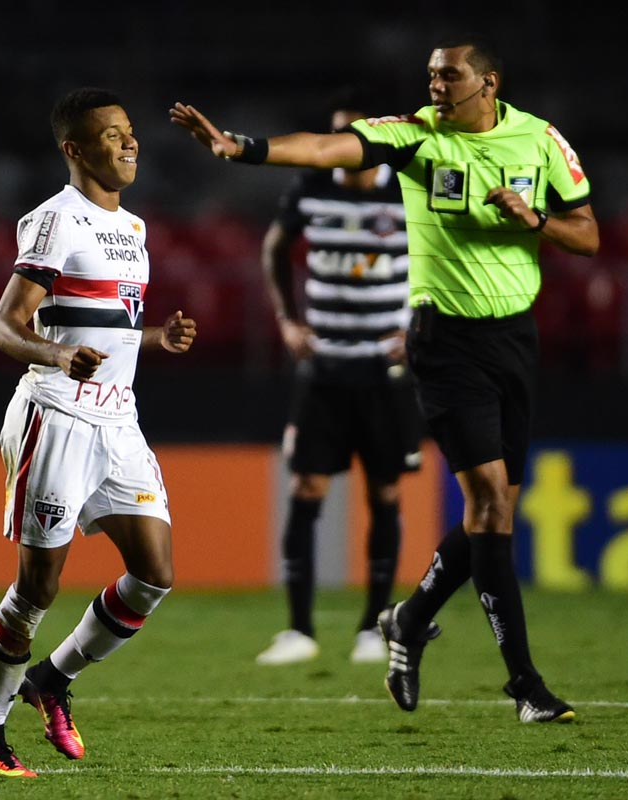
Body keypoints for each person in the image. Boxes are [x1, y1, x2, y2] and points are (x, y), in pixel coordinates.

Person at [171, 33, 599, 723]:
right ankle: (525, 685)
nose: (436, 86)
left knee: (493, 516)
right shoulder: (415, 138)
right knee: (489, 502)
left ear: (488, 83)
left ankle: (408, 619)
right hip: (444, 342)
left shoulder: (540, 140)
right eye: (431, 75)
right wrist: (243, 148)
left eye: (449, 76)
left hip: (515, 340)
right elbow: (324, 147)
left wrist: (536, 219)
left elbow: (588, 234)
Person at [0, 87, 197, 778]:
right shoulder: (53, 221)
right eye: (112, 134)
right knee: (37, 589)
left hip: (119, 419)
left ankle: (52, 679)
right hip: (58, 415)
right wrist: (57, 354)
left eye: (130, 131)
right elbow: (5, 326)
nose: (130, 143)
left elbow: (105, 324)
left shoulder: (134, 229)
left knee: (154, 574)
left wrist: (154, 337)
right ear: (75, 148)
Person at [254, 88, 425, 667]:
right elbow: (274, 249)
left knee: (385, 492)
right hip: (324, 366)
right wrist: (287, 319)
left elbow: (445, 256)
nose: (340, 145)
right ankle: (298, 630)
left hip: (385, 371)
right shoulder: (311, 187)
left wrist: (418, 323)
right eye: (335, 134)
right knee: (306, 489)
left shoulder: (409, 190)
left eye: (351, 135)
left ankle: (375, 628)